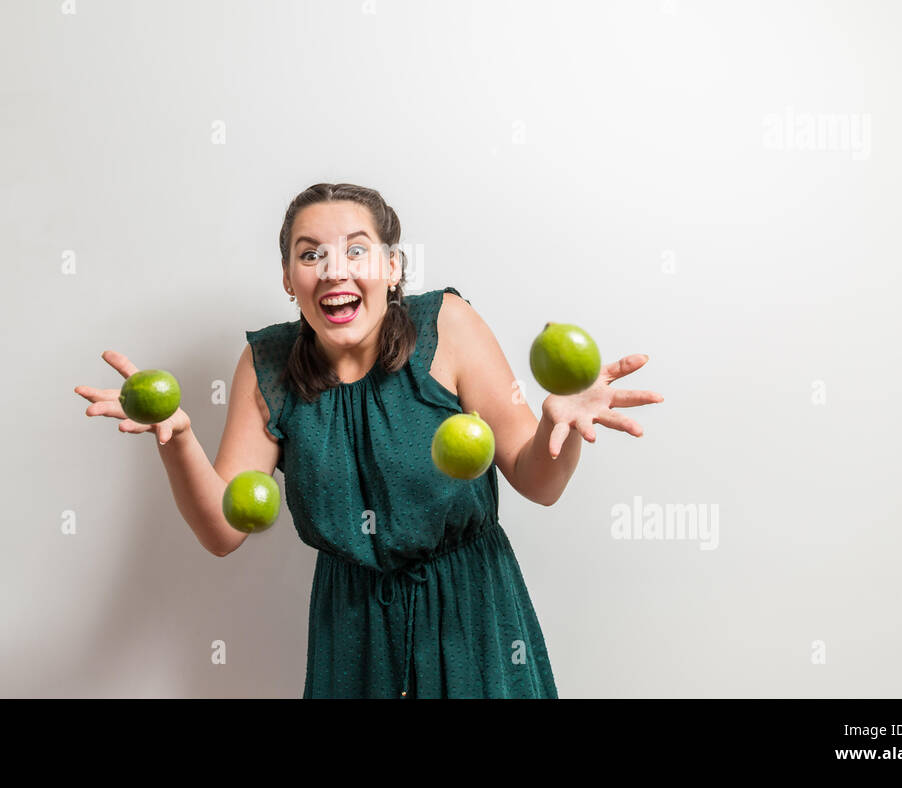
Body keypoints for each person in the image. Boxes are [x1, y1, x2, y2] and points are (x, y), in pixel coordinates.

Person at [75, 181, 663, 697]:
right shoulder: (266, 366)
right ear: (288, 279)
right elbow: (223, 531)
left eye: (356, 249)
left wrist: (560, 426)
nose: (335, 270)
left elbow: (539, 483)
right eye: (311, 254)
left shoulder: (448, 325)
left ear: (393, 267)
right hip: (351, 638)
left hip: (473, 618)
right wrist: (176, 437)